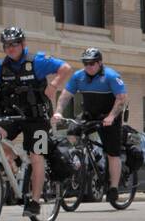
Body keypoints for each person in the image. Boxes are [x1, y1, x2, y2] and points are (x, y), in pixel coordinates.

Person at [0, 26, 72, 218]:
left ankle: (34, 201)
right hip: (11, 117)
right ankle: (13, 161)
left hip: (37, 119)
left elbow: (66, 68)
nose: (11, 48)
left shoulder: (37, 61)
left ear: (23, 44)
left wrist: (54, 85)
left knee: (37, 155)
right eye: (7, 45)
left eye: (14, 44)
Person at [53, 47, 129, 204]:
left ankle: (113, 188)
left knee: (112, 153)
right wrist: (58, 112)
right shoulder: (78, 77)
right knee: (72, 131)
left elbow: (121, 99)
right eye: (85, 63)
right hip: (89, 115)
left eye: (92, 63)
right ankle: (82, 155)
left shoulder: (111, 76)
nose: (89, 66)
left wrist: (111, 116)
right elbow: (65, 96)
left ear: (100, 63)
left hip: (109, 117)